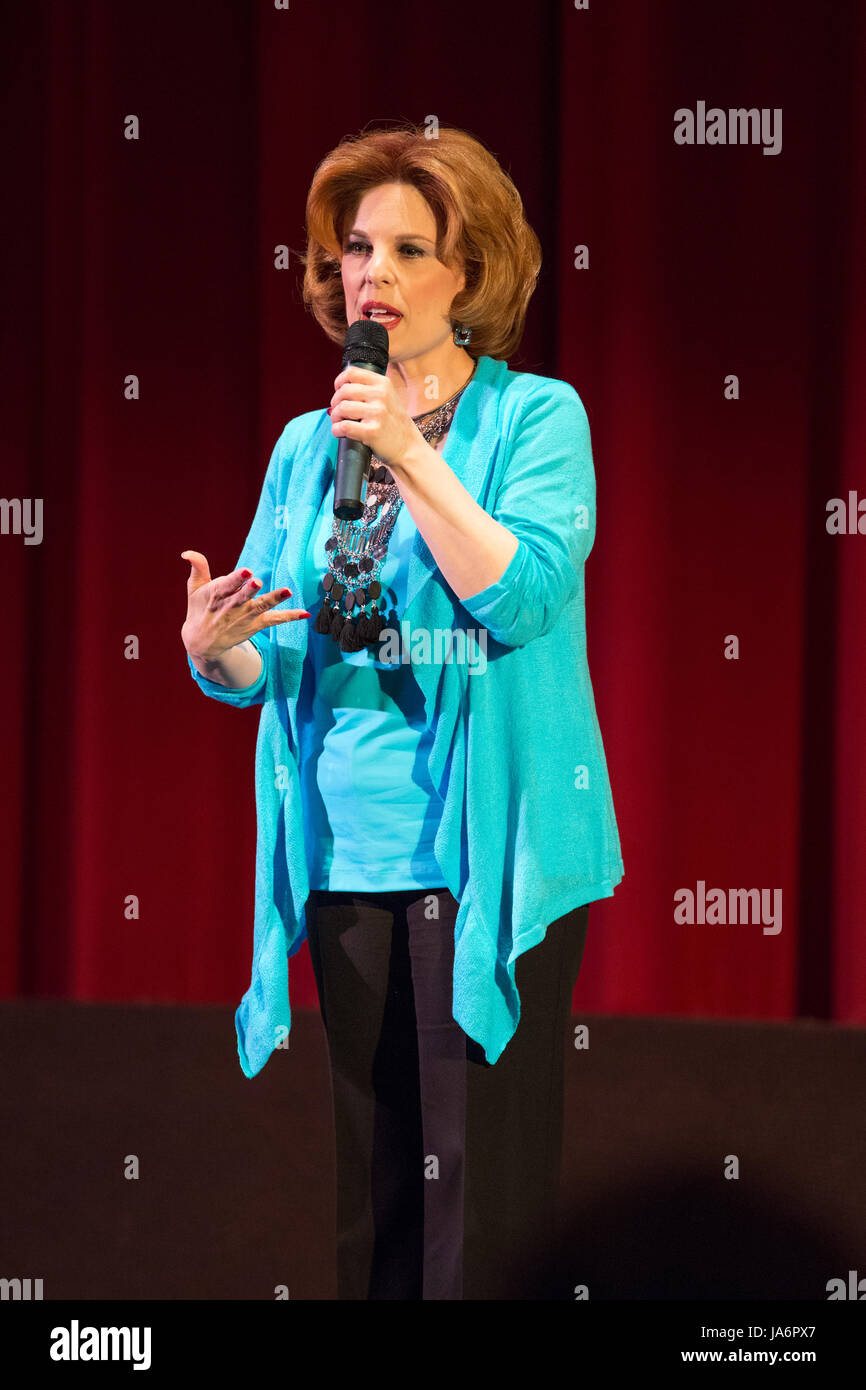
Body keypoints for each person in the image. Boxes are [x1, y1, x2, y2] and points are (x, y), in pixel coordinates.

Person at [181, 123, 624, 1301]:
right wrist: (216, 651)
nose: (367, 272)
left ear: (466, 274)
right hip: (347, 853)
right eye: (353, 247)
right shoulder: (302, 446)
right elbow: (278, 654)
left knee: (476, 1216)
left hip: (483, 860)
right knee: (373, 1203)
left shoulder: (537, 420)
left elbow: (521, 594)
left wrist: (411, 455)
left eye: (405, 247)